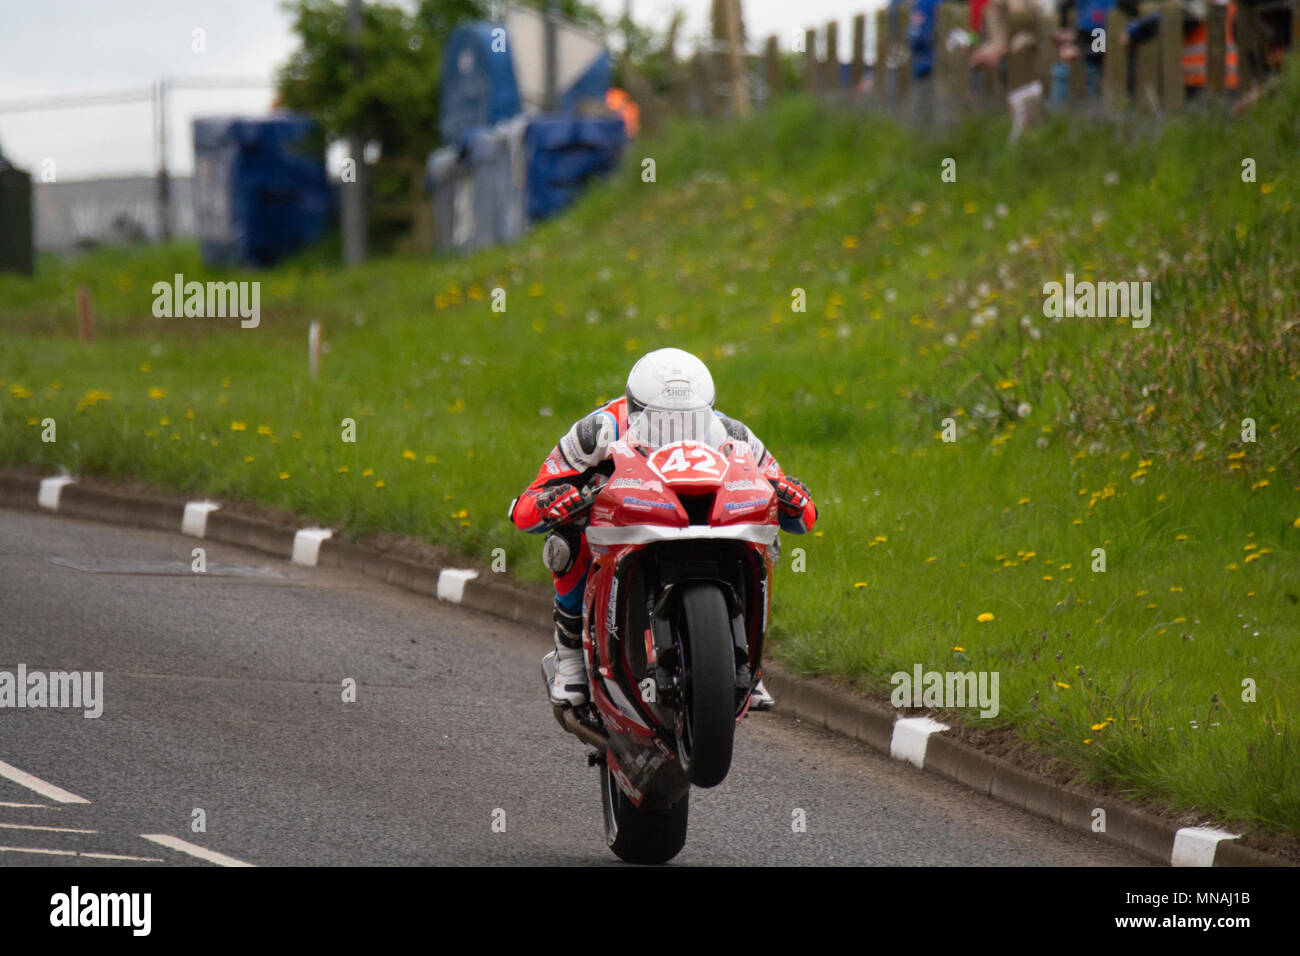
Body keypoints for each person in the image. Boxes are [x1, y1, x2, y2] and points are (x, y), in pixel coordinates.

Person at [508, 348, 819, 712]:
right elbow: (525, 508)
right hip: (625, 521)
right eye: (662, 420)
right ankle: (570, 654)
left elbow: (802, 516)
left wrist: (792, 499)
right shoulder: (598, 429)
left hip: (700, 521)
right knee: (564, 540)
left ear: (709, 410)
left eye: (690, 420)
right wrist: (554, 502)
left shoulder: (734, 434)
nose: (678, 431)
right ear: (634, 408)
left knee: (762, 537)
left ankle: (748, 660)